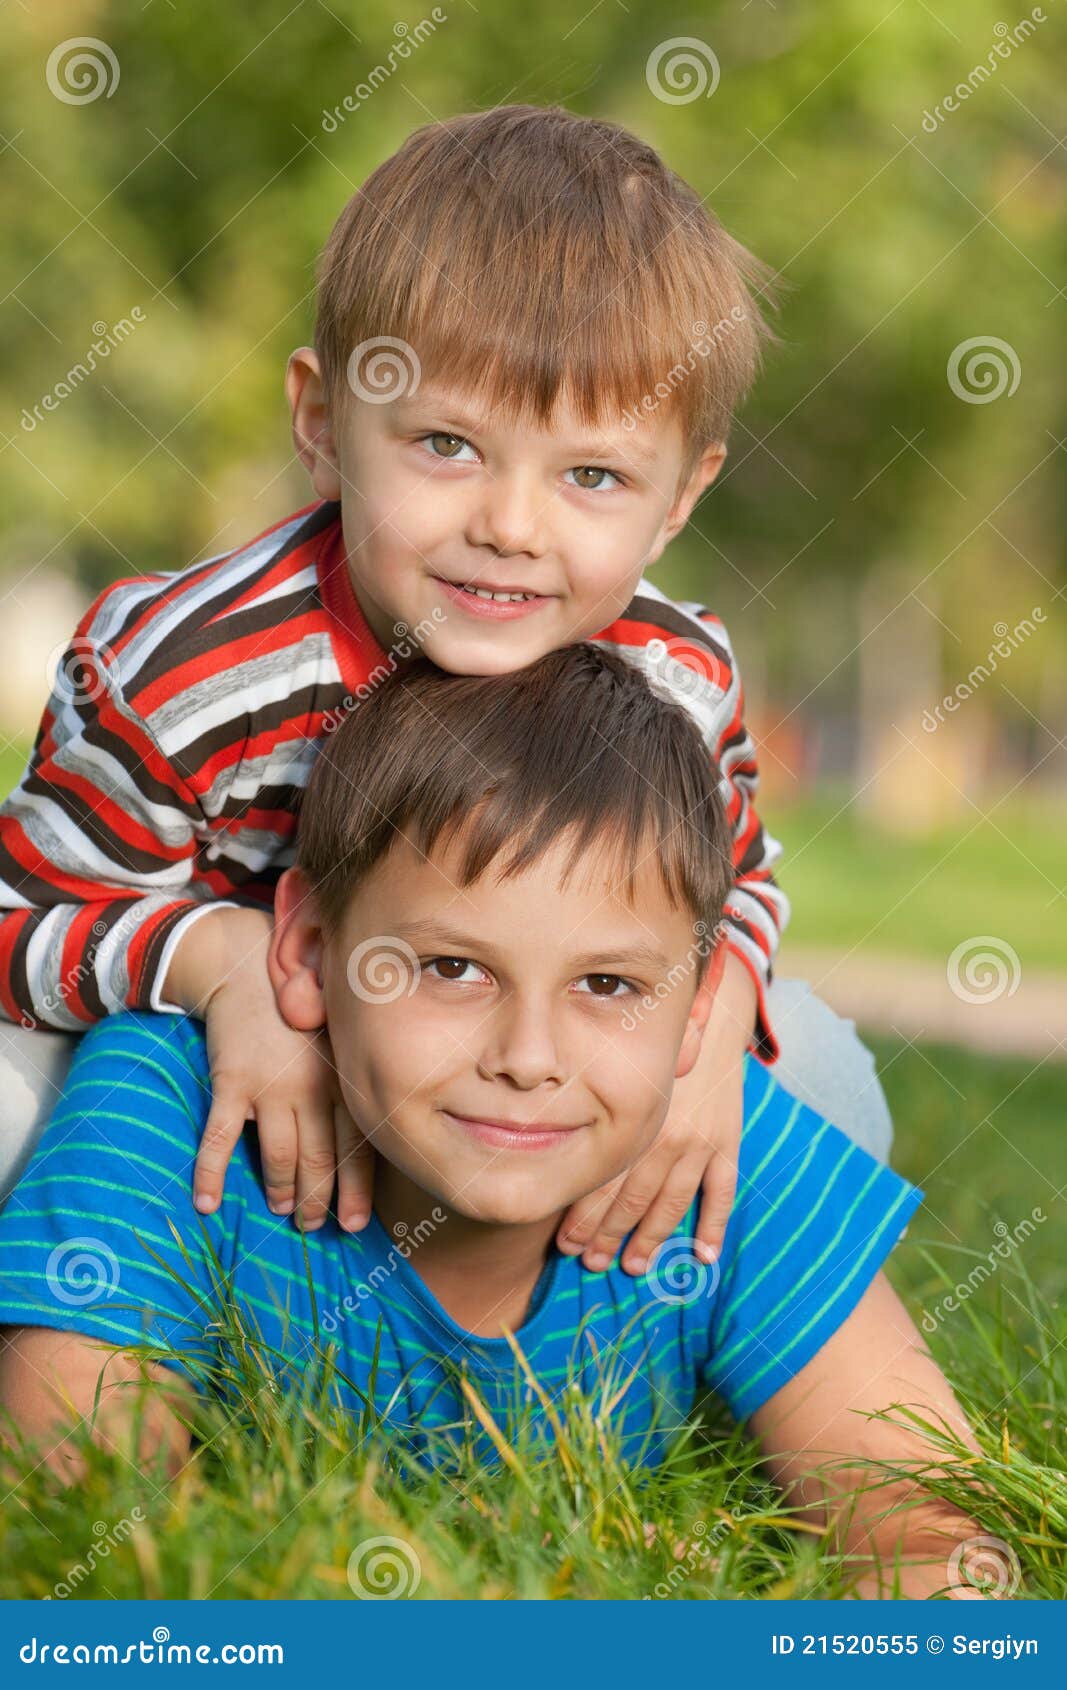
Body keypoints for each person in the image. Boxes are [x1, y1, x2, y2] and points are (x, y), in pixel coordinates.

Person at [0, 104, 891, 1274]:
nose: (510, 527)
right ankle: (120, 1300)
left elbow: (736, 883)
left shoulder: (672, 679)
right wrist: (219, 964)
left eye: (590, 474)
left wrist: (717, 1002)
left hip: (487, 1064)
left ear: (679, 494)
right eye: (446, 446)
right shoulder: (192, 673)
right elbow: (21, 920)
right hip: (194, 1075)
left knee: (831, 1088)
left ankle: (623, 1329)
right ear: (324, 423)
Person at [0, 647, 978, 1599]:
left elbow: (920, 1516)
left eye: (607, 983)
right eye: (451, 967)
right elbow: (75, 1507)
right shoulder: (175, 1107)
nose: (527, 1056)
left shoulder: (723, 1159)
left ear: (696, 1012)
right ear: (302, 947)